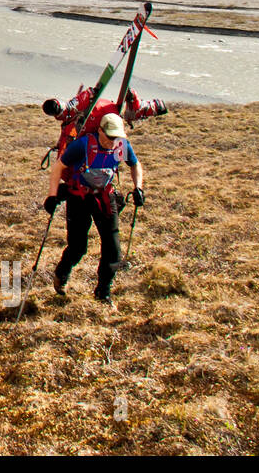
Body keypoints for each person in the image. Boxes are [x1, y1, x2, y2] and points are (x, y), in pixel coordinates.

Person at [43, 112, 145, 308]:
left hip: (105, 198)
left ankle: (103, 292)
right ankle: (62, 273)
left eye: (117, 138)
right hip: (78, 197)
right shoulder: (82, 145)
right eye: (110, 137)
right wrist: (52, 195)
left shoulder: (121, 146)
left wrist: (138, 187)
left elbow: (135, 164)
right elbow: (58, 167)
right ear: (100, 130)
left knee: (113, 250)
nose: (113, 142)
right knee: (78, 247)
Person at [42, 85, 166, 158]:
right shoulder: (118, 147)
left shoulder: (118, 146)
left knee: (71, 114)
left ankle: (145, 105)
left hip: (100, 119)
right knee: (133, 114)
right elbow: (129, 162)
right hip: (104, 119)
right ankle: (145, 105)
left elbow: (130, 163)